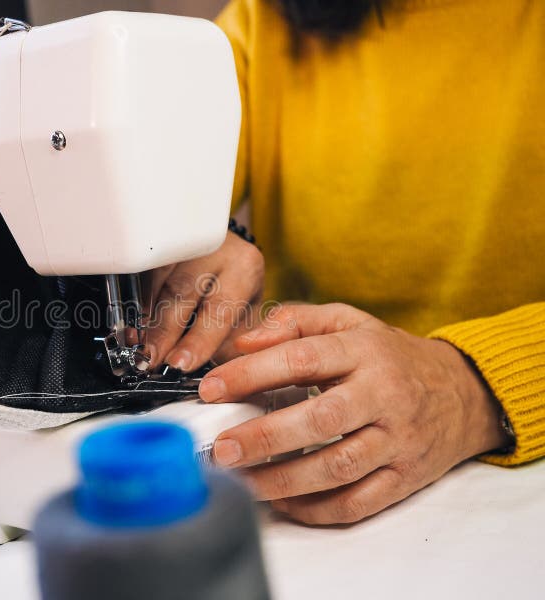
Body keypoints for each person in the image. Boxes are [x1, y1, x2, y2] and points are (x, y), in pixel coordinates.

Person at [147, 0, 545, 524]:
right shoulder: (256, 30)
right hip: (316, 479)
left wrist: (469, 388)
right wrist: (186, 232)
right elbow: (158, 180)